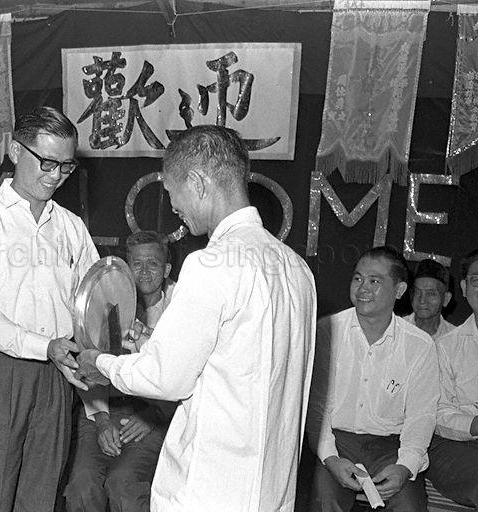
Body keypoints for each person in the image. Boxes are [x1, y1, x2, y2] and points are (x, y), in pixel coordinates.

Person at [76, 125, 317, 511]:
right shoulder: (295, 267)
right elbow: (238, 363)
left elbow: (163, 378)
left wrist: (102, 363)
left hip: (212, 485)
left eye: (172, 192)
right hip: (272, 488)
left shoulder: (211, 263)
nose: (173, 207)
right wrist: (147, 345)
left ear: (197, 183)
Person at [0, 106, 99, 512]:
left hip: (55, 376)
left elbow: (93, 300)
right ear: (16, 151)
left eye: (66, 167)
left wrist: (114, 333)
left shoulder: (71, 227)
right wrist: (43, 344)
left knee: (39, 495)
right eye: (46, 162)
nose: (54, 176)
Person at [306, 246, 439, 512]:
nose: (363, 287)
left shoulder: (419, 345)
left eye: (374, 281)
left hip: (391, 446)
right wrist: (330, 458)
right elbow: (317, 409)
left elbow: (421, 417)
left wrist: (405, 467)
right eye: (358, 278)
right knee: (325, 501)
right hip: (337, 440)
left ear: (399, 291)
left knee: (410, 507)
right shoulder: (327, 331)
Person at [65, 231, 175, 512]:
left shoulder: (181, 310)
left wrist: (154, 416)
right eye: (136, 264)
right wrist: (102, 421)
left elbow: (182, 374)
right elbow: (86, 366)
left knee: (123, 484)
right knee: (82, 485)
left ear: (167, 269)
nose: (144, 272)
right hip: (99, 411)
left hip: (153, 415)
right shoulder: (103, 301)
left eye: (153, 263)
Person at [426, 249, 478, 506]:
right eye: (476, 280)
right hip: (454, 446)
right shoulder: (446, 346)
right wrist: (475, 424)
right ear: (464, 288)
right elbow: (438, 414)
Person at [404, 258, 455, 340]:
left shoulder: (455, 339)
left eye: (430, 294)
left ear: (446, 299)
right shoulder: (396, 331)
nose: (422, 300)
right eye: (417, 292)